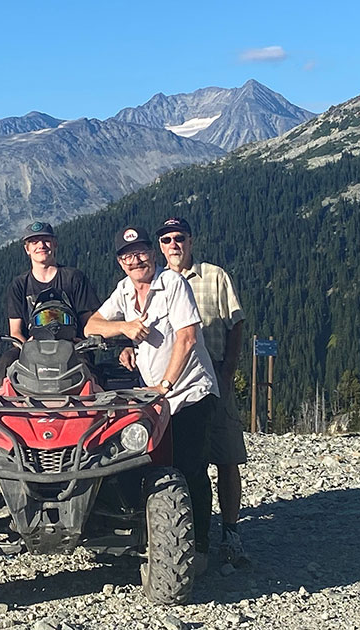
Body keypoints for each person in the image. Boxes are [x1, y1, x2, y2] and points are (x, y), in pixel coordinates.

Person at [84, 225, 219, 568]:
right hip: (154, 400)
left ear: (153, 255)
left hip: (188, 392)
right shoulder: (124, 291)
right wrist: (124, 330)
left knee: (191, 469)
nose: (136, 260)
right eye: (127, 256)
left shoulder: (172, 284)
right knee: (144, 464)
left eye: (141, 252)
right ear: (120, 262)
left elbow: (187, 338)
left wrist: (166, 384)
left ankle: (199, 546)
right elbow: (91, 325)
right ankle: (156, 538)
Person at [155, 216, 250, 567]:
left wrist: (227, 370)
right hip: (171, 388)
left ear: (191, 241)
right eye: (166, 240)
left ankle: (231, 532)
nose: (173, 245)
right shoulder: (154, 283)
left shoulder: (214, 276)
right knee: (182, 463)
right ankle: (186, 533)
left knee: (225, 458)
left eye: (179, 238)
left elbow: (236, 324)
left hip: (212, 383)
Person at [0, 221, 101, 391]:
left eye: (46, 240)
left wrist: (83, 341)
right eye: (34, 242)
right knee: (4, 365)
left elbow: (89, 322)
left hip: (72, 348)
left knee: (91, 375)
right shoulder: (19, 284)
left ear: (54, 244)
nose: (41, 245)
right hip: (29, 349)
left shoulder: (74, 278)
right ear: (27, 249)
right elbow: (15, 332)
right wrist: (27, 347)